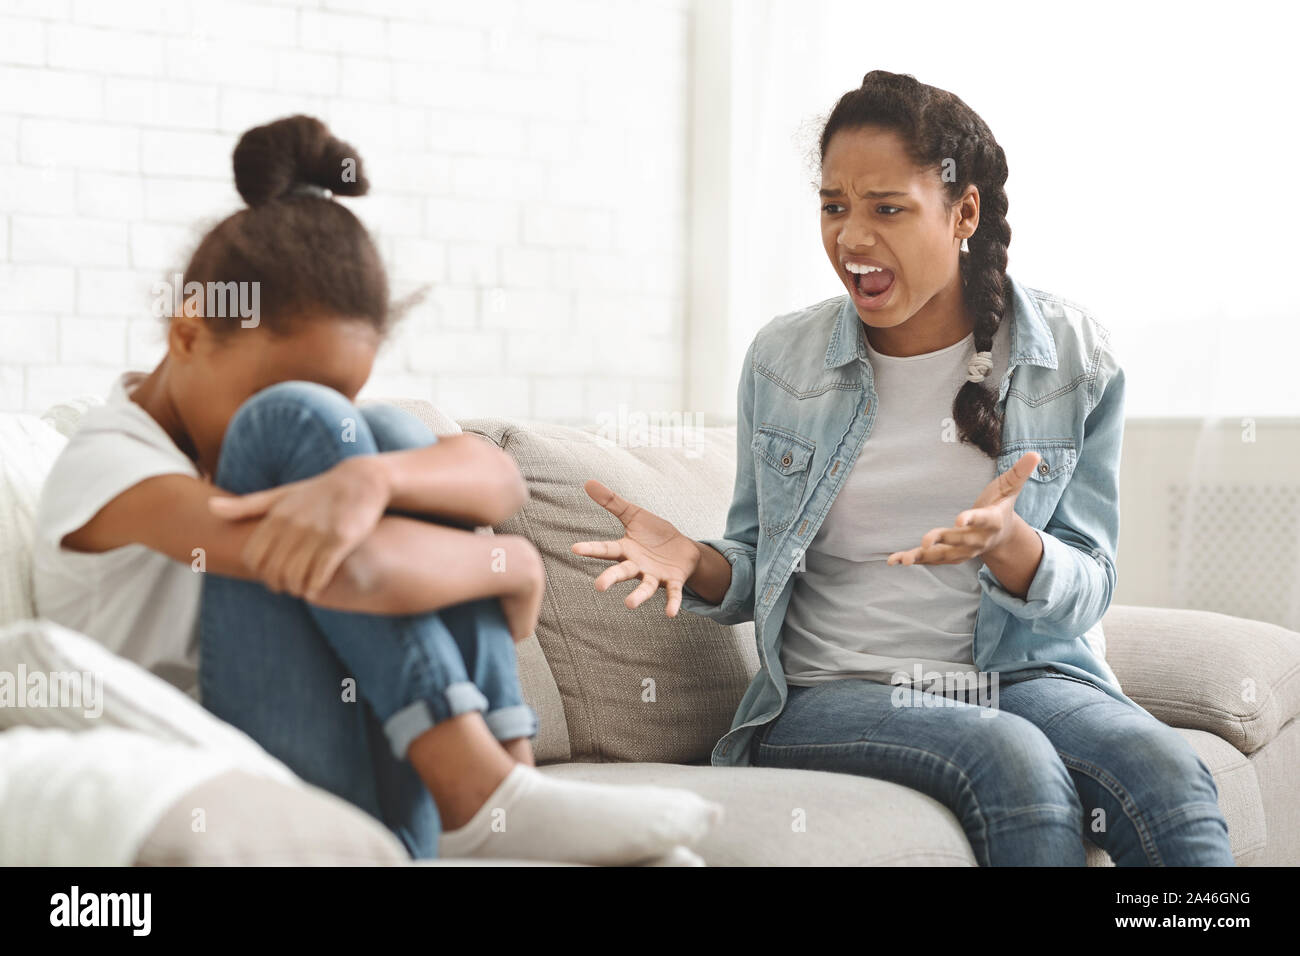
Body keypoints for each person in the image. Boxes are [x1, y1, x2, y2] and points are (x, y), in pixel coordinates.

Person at [572, 72, 1233, 866]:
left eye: (887, 208)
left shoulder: (1073, 358)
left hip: (1021, 675)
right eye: (833, 206)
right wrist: (698, 562)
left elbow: (1091, 579)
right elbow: (755, 565)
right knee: (1010, 760)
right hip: (832, 693)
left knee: (1166, 770)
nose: (851, 239)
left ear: (964, 213)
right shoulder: (784, 361)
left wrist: (1013, 548)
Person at [34, 114, 721, 865]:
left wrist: (374, 476)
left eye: (338, 388)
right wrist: (510, 566)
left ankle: (502, 789)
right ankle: (480, 788)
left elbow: (495, 479)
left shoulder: (315, 452)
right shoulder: (109, 468)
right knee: (300, 429)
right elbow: (357, 572)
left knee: (386, 436)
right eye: (280, 386)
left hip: (369, 771)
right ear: (191, 333)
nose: (315, 415)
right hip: (265, 785)